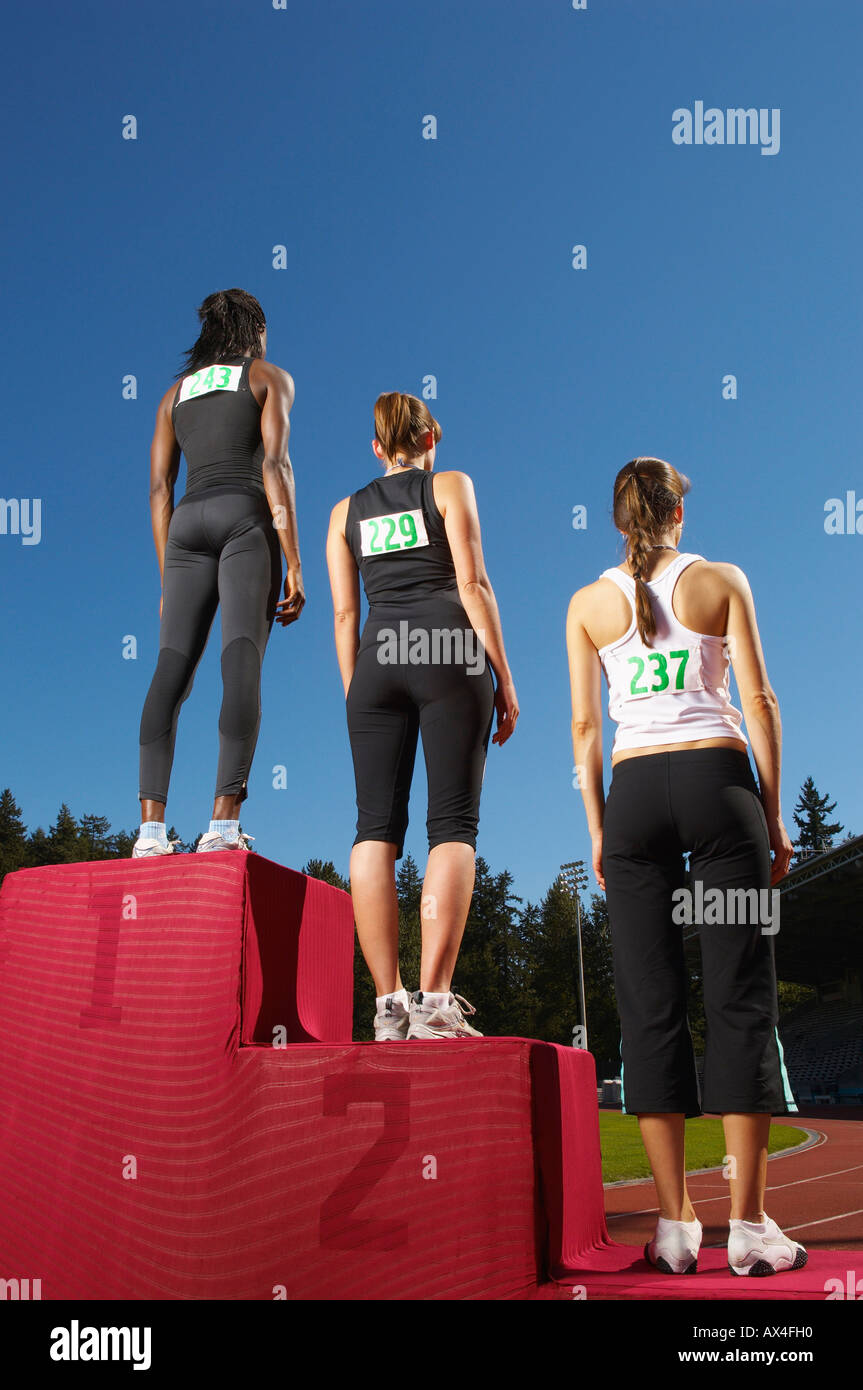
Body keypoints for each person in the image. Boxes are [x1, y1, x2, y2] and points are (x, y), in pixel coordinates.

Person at [566, 457, 806, 1278]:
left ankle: (673, 1227)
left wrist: (599, 831)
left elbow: (584, 732)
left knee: (647, 1005)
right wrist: (770, 816)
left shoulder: (585, 604)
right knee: (737, 998)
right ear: (674, 512)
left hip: (632, 798)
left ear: (618, 521)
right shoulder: (720, 580)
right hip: (715, 786)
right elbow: (762, 700)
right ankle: (747, 1225)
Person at [326, 393, 518, 1040]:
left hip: (376, 660)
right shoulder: (449, 484)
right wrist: (505, 679)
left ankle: (388, 1006)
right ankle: (434, 1004)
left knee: (373, 829)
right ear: (431, 434)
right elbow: (472, 584)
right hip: (446, 649)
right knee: (452, 827)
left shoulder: (342, 513)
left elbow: (345, 615)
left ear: (376, 448)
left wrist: (360, 692)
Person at [134, 289, 304, 857]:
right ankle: (222, 826)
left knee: (169, 673)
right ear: (255, 330)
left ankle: (151, 832)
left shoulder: (172, 395)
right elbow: (277, 466)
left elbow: (159, 488)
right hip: (243, 517)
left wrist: (167, 576)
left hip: (185, 526)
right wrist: (295, 561)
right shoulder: (267, 377)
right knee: (240, 661)